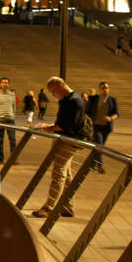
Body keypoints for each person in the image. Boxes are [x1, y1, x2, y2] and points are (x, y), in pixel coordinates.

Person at [32, 77, 87, 219]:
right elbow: (64, 122)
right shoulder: (68, 100)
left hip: (69, 141)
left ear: (61, 86)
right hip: (65, 138)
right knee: (66, 174)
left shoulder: (74, 101)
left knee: (59, 172)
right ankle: (68, 206)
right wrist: (51, 127)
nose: (53, 95)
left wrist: (50, 128)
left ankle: (50, 206)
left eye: (53, 91)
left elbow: (70, 125)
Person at [85, 81, 119, 174]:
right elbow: (86, 111)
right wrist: (89, 120)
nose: (105, 89)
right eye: (103, 88)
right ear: (99, 89)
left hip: (106, 128)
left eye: (106, 87)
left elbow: (117, 113)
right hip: (96, 126)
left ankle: (91, 164)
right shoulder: (94, 99)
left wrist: (111, 118)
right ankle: (100, 165)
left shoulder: (112, 100)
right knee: (100, 145)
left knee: (98, 147)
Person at [0, 77, 17, 164]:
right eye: (3, 82)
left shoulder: (12, 95)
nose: (5, 84)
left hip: (10, 120)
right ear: (0, 84)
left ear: (8, 84)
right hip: (0, 120)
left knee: (13, 139)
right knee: (0, 140)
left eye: (6, 83)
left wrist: (13, 116)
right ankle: (0, 159)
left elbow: (14, 107)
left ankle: (13, 159)